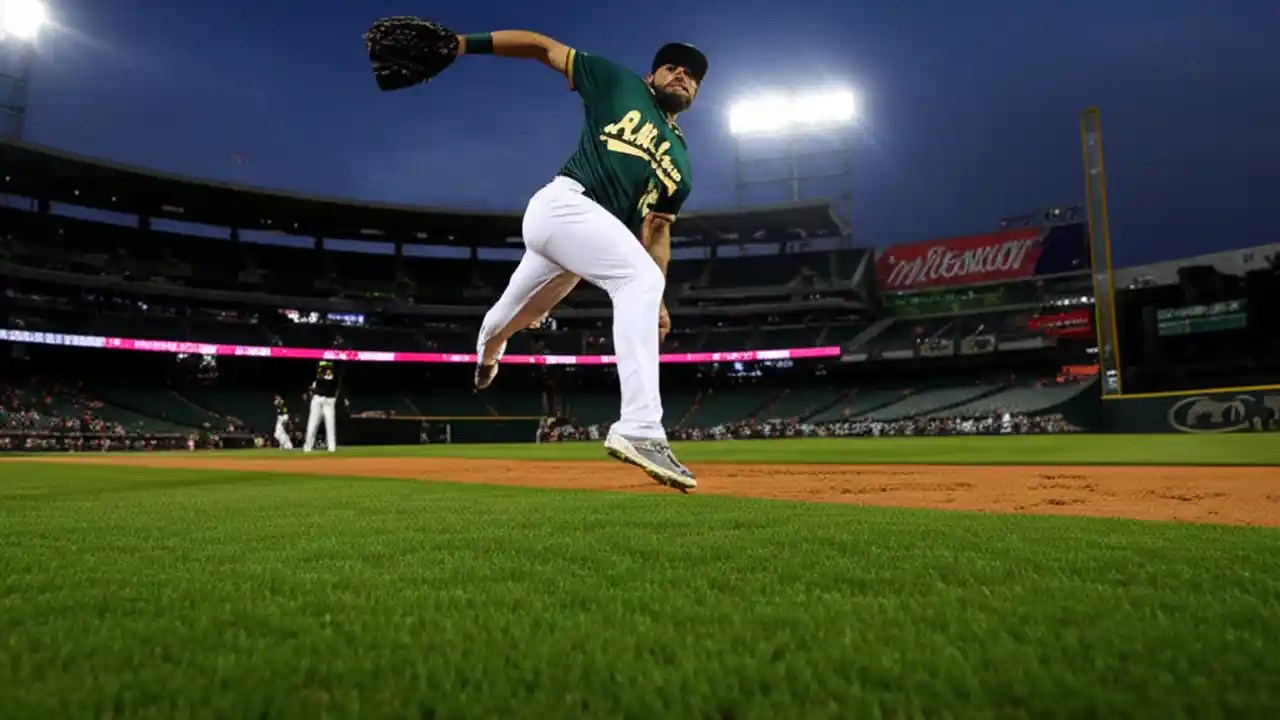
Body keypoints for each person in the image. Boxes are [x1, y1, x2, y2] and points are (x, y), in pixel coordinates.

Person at [457, 30, 704, 492]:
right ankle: (640, 428)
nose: (683, 75)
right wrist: (462, 44)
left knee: (508, 316)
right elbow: (542, 48)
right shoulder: (620, 83)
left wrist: (658, 299)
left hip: (579, 241)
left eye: (693, 75)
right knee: (637, 281)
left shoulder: (683, 164)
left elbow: (657, 230)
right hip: (564, 205)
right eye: (672, 66)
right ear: (651, 76)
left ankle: (488, 355)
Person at [303, 361, 339, 453]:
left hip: (329, 401)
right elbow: (318, 380)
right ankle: (308, 447)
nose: (327, 371)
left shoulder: (333, 378)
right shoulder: (319, 376)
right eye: (326, 369)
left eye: (329, 369)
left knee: (330, 424)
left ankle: (332, 447)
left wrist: (325, 367)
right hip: (318, 400)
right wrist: (321, 369)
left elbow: (329, 382)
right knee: (312, 424)